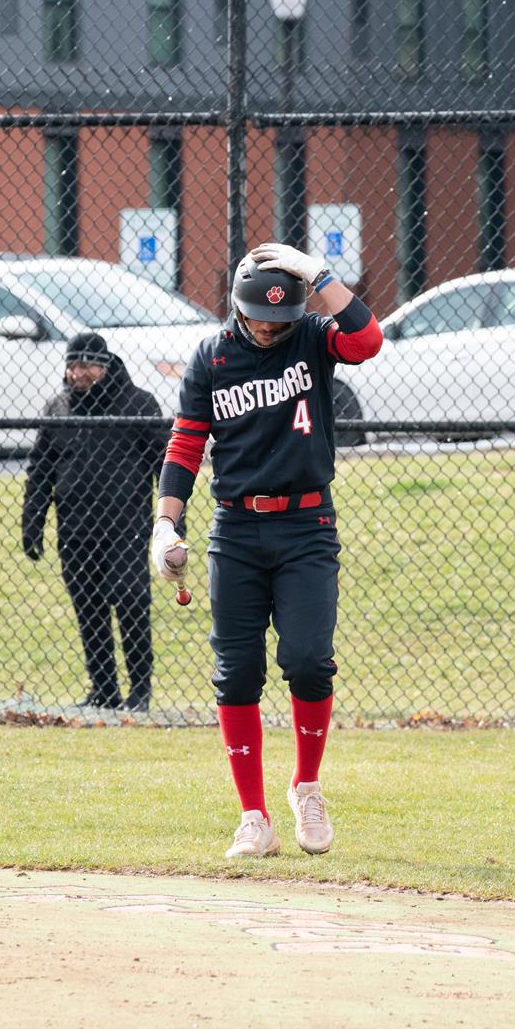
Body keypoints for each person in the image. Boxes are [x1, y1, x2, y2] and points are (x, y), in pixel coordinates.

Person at [151, 242, 383, 858]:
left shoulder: (310, 336)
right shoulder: (212, 355)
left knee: (308, 660)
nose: (270, 327)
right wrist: (165, 524)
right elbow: (185, 446)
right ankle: (253, 817)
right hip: (236, 531)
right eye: (260, 316)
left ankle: (306, 784)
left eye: (281, 316)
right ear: (237, 307)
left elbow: (367, 341)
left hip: (308, 527)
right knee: (238, 673)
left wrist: (317, 273)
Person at [23, 332, 171, 712]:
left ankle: (140, 687)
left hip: (127, 526)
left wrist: (172, 523)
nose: (78, 373)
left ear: (104, 366)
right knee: (88, 607)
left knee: (131, 601)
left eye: (86, 365)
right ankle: (103, 688)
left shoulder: (138, 403)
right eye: (72, 366)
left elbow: (164, 467)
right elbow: (40, 470)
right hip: (75, 529)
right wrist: (33, 522)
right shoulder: (58, 408)